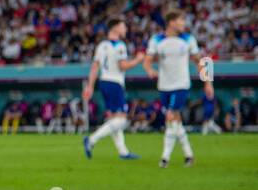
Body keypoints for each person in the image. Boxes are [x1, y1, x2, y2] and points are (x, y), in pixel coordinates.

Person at [143, 9, 205, 167]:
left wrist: (208, 82)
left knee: (170, 116)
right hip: (164, 86)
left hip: (181, 85)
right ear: (171, 22)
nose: (184, 23)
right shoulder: (156, 40)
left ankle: (165, 158)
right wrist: (149, 70)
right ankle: (189, 155)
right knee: (175, 120)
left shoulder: (189, 39)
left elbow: (201, 60)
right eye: (181, 20)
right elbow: (147, 60)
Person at [82, 18, 143, 160]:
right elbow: (123, 66)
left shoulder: (101, 45)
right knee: (121, 120)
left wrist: (90, 86)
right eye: (123, 26)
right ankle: (91, 140)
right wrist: (138, 60)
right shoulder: (120, 46)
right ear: (115, 28)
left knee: (115, 119)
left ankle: (123, 152)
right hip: (115, 83)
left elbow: (94, 67)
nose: (125, 29)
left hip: (104, 82)